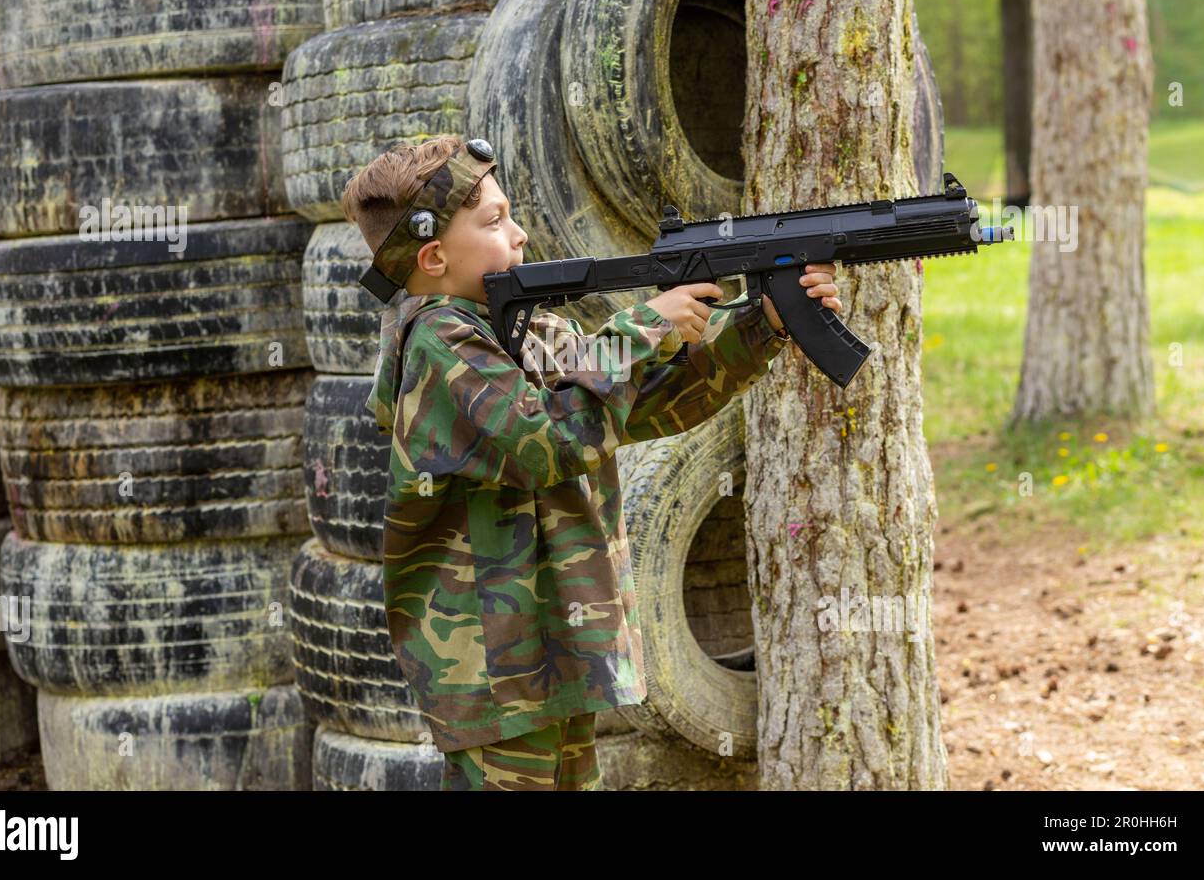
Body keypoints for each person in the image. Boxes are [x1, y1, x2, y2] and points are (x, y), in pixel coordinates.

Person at [342, 134, 841, 790]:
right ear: (433, 256)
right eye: (494, 222)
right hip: (492, 668)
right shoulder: (441, 342)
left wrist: (764, 325)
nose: (519, 235)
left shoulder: (516, 329)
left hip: (551, 650)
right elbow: (548, 441)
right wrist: (645, 327)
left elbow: (638, 408)